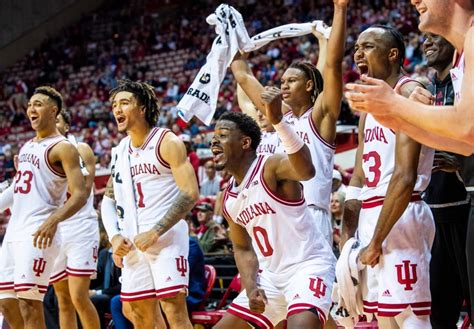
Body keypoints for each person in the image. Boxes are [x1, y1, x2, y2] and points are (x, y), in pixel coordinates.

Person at [212, 92, 335, 328]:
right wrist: (251, 287)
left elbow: (307, 170)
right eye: (213, 138)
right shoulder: (228, 198)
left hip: (307, 267)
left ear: (245, 143)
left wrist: (278, 120)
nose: (214, 143)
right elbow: (242, 247)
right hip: (269, 278)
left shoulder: (270, 167)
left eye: (223, 136)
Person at [339, 25, 435, 328]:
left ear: (392, 54)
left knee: (411, 316)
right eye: (356, 47)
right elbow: (358, 176)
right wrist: (349, 233)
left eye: (367, 46)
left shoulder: (409, 91)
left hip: (401, 213)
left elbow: (405, 177)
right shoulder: (369, 107)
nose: (357, 53)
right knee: (385, 318)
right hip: (370, 215)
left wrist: (376, 240)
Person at [231, 0, 349, 245]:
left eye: (291, 81)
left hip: (310, 213)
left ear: (308, 86)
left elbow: (332, 65)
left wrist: (338, 11)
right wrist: (234, 40)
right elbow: (243, 75)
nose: (283, 85)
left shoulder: (321, 116)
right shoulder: (278, 120)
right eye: (282, 81)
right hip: (276, 214)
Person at [101, 79, 199, 329]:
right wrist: (114, 237)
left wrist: (156, 231)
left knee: (173, 310)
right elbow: (108, 200)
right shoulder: (120, 151)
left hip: (165, 239)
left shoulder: (167, 141)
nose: (117, 109)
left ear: (142, 107)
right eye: (114, 105)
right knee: (138, 313)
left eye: (124, 103)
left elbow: (190, 193)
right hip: (133, 241)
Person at [0, 86, 88, 329]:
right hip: (13, 232)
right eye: (29, 105)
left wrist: (53, 220)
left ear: (53, 110)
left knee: (29, 304)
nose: (31, 109)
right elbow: (19, 189)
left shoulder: (63, 147)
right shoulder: (27, 146)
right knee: (7, 304)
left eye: (37, 104)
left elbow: (79, 193)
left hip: (38, 233)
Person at [344, 1, 474, 155]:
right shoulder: (460, 54)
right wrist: (399, 123)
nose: (414, 1)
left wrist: (394, 103)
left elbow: (467, 126)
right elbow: (466, 144)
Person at [419, 33, 471, 329]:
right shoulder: (423, 90)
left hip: (466, 208)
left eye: (435, 37)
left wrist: (464, 163)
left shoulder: (465, 85)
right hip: (432, 213)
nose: (427, 42)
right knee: (439, 313)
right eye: (424, 38)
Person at [48, 109, 100, 329]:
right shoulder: (43, 157)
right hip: (58, 229)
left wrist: (60, 165)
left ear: (67, 126)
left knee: (79, 296)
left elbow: (83, 192)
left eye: (56, 120)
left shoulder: (81, 149)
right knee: (63, 301)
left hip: (81, 227)